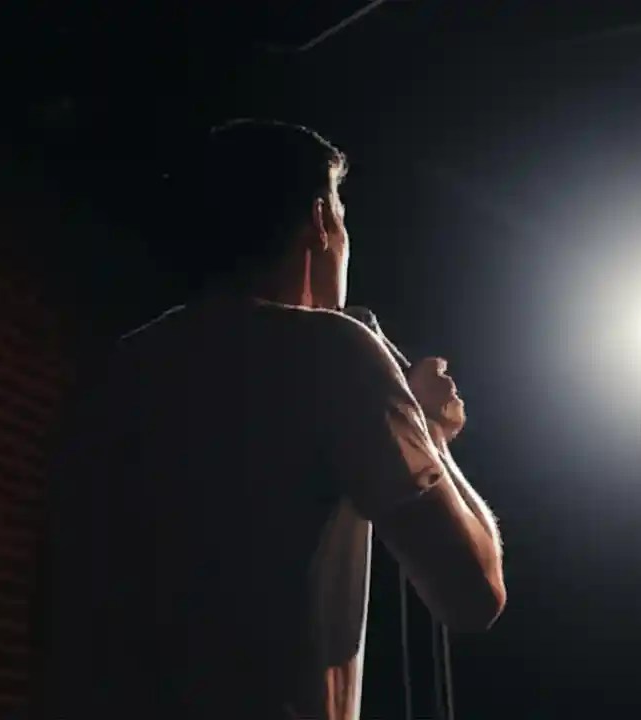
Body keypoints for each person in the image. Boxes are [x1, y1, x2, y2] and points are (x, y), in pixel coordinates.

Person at [40, 120, 505, 720]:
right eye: (342, 218)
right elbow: (474, 596)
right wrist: (433, 434)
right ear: (321, 220)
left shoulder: (113, 371)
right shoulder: (335, 351)